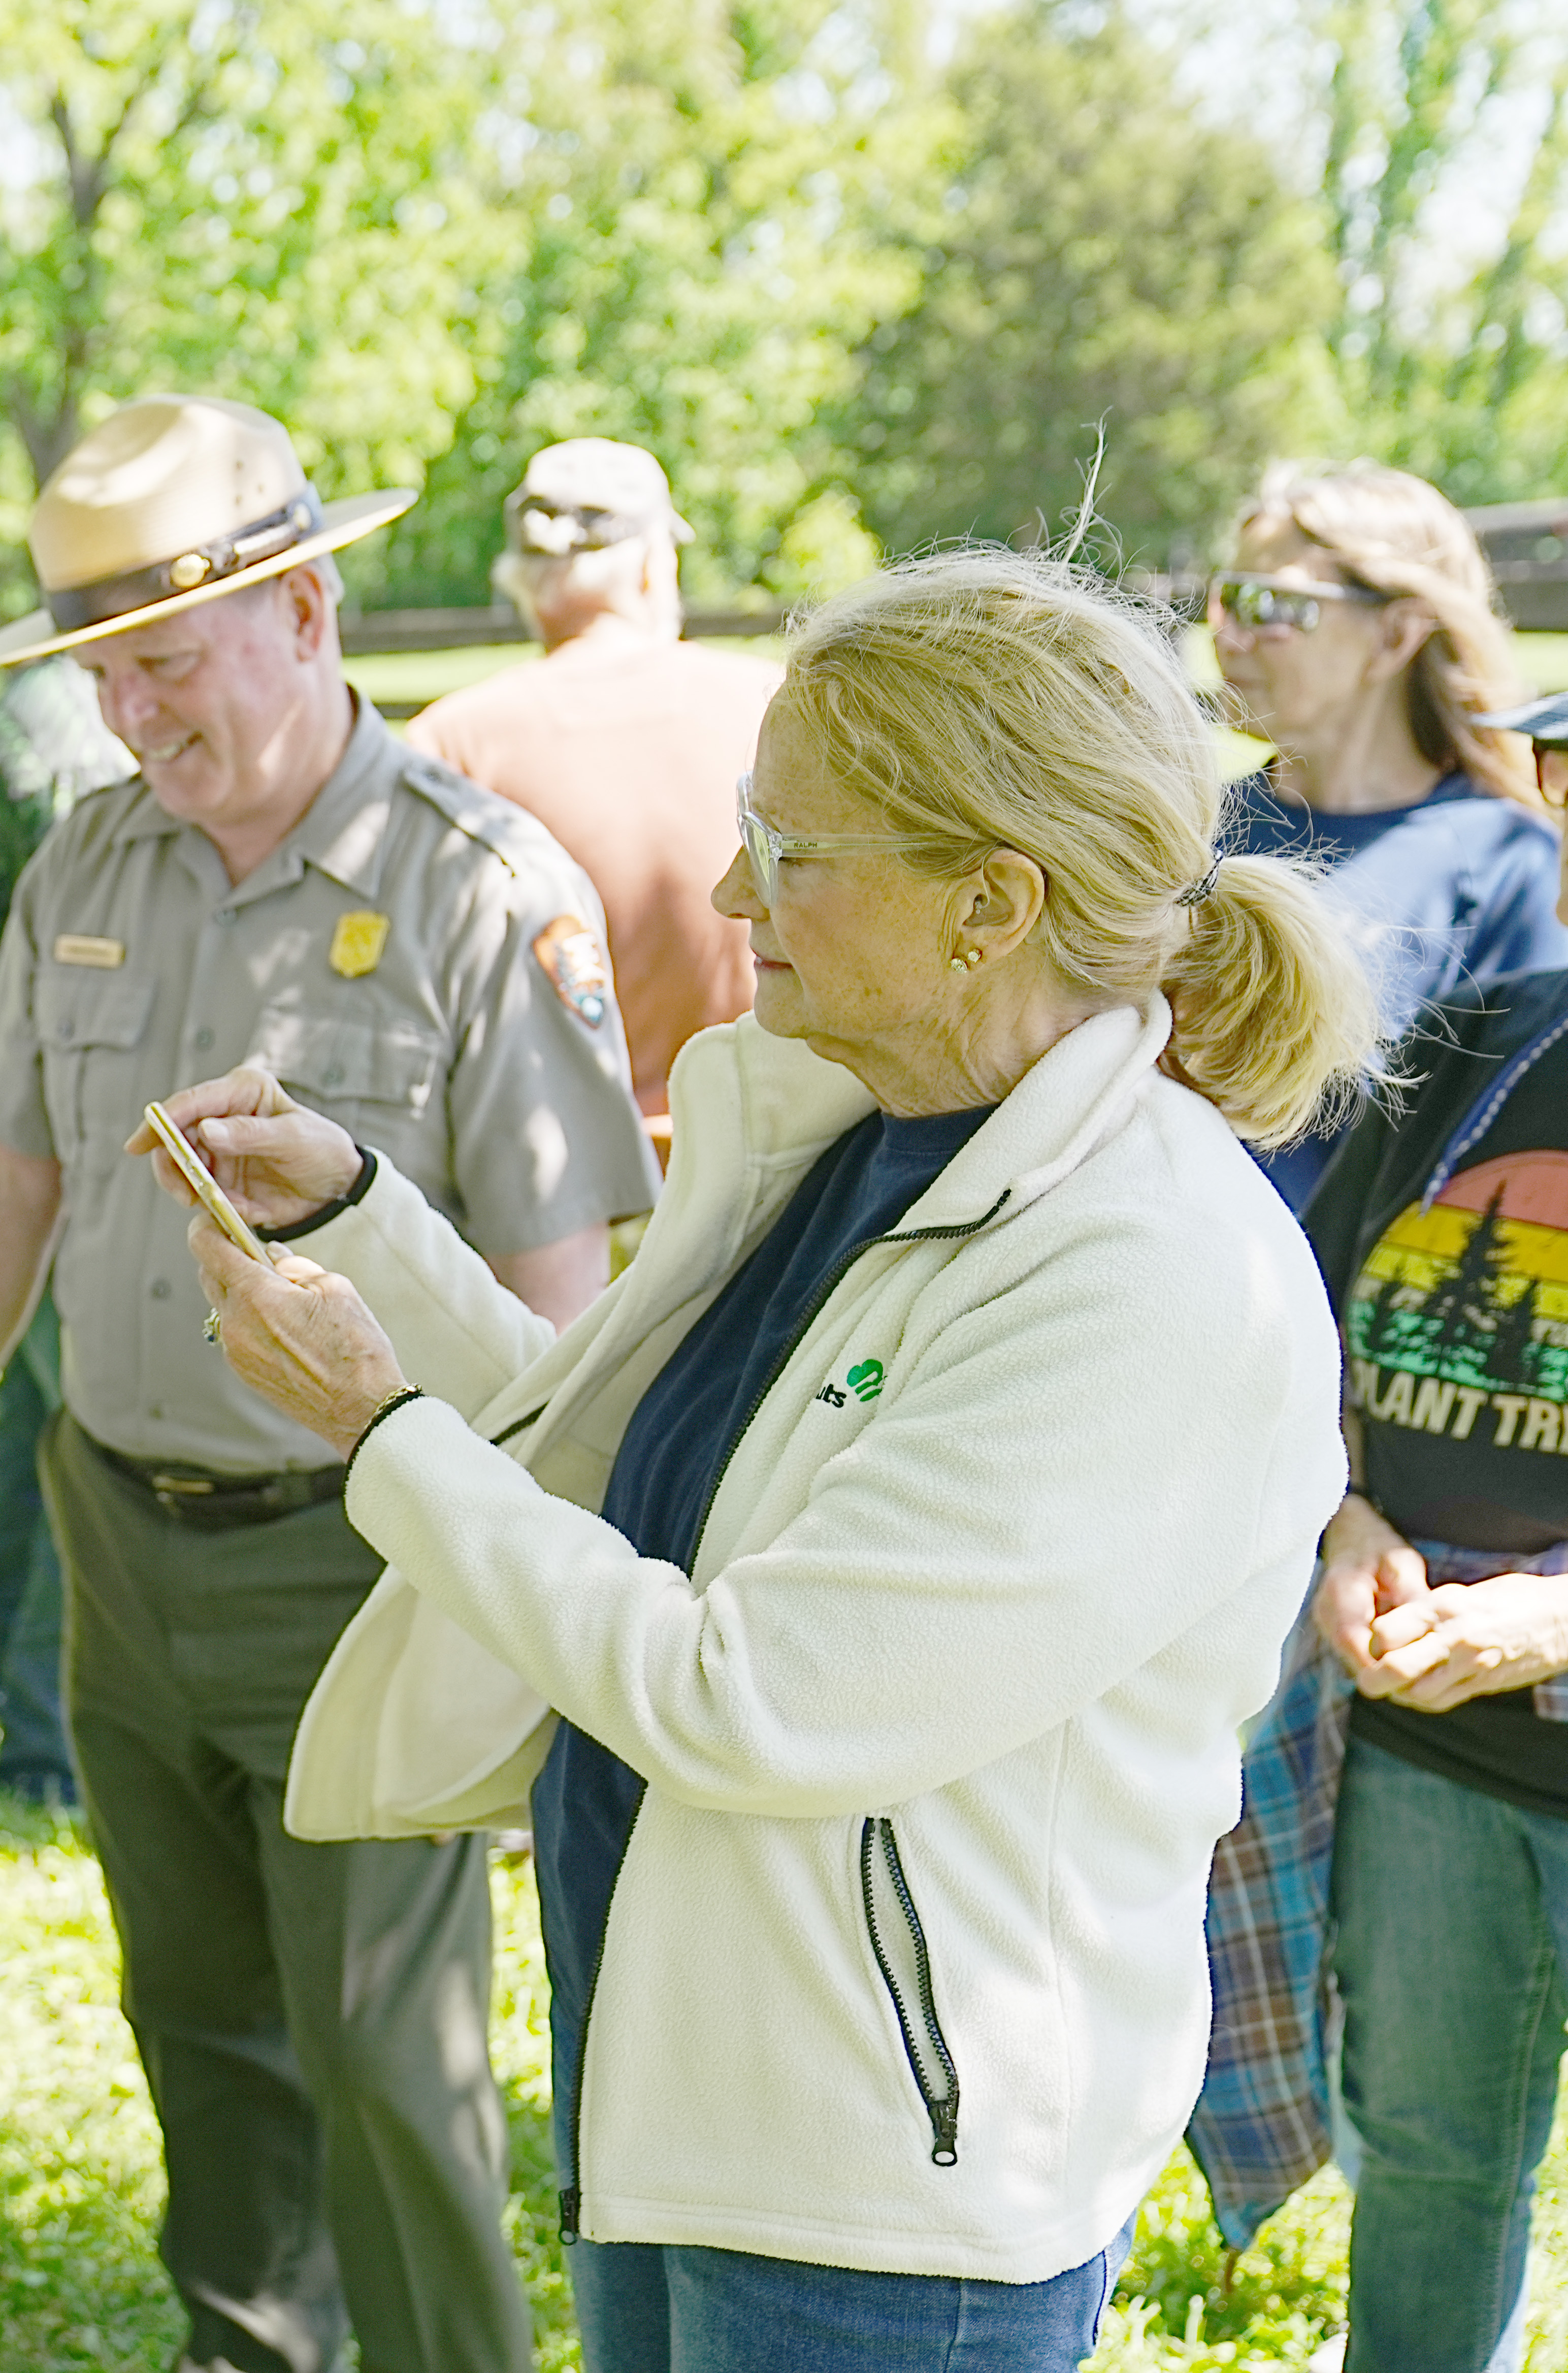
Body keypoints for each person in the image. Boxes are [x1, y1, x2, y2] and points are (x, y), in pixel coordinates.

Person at [170, 548, 1377, 2372]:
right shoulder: (864, 1133)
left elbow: (752, 1694)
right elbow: (630, 1473)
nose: (734, 889)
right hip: (695, 2091)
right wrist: (362, 1233)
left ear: (990, 904)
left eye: (793, 850)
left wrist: (375, 1437)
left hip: (890, 2198)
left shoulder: (1147, 1274)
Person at [0, 391, 657, 2373]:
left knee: (396, 2080)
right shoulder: (85, 860)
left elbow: (557, 1314)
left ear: (305, 610)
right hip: (121, 1543)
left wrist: (524, 1592)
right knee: (200, 2034)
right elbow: (7, 1173)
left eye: (163, 661)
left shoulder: (486, 891)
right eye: (100, 672)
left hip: (365, 1567)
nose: (131, 713)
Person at [1193, 683, 1568, 2372]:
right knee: (1426, 2172)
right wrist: (1339, 1519)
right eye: (1563, 769)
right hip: (1432, 1753)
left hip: (1521, 1679)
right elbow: (1305, 1334)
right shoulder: (1483, 1044)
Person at [1210, 459, 1567, 1205]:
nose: (1230, 637)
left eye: (1274, 605)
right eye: (1226, 600)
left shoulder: (1510, 868)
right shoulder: (1185, 830)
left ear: (1397, 635)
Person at [405, 438, 781, 1123]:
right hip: (769, 1140)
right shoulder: (774, 702)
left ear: (521, 577)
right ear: (651, 565)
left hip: (562, 1162)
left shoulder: (450, 742)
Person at [0, 654, 137, 1808]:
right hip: (66, 1138)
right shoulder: (75, 742)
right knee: (81, 1416)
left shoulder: (40, 700)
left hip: (22, 1123)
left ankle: (22, 1708)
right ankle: (52, 1734)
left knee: (34, 1408)